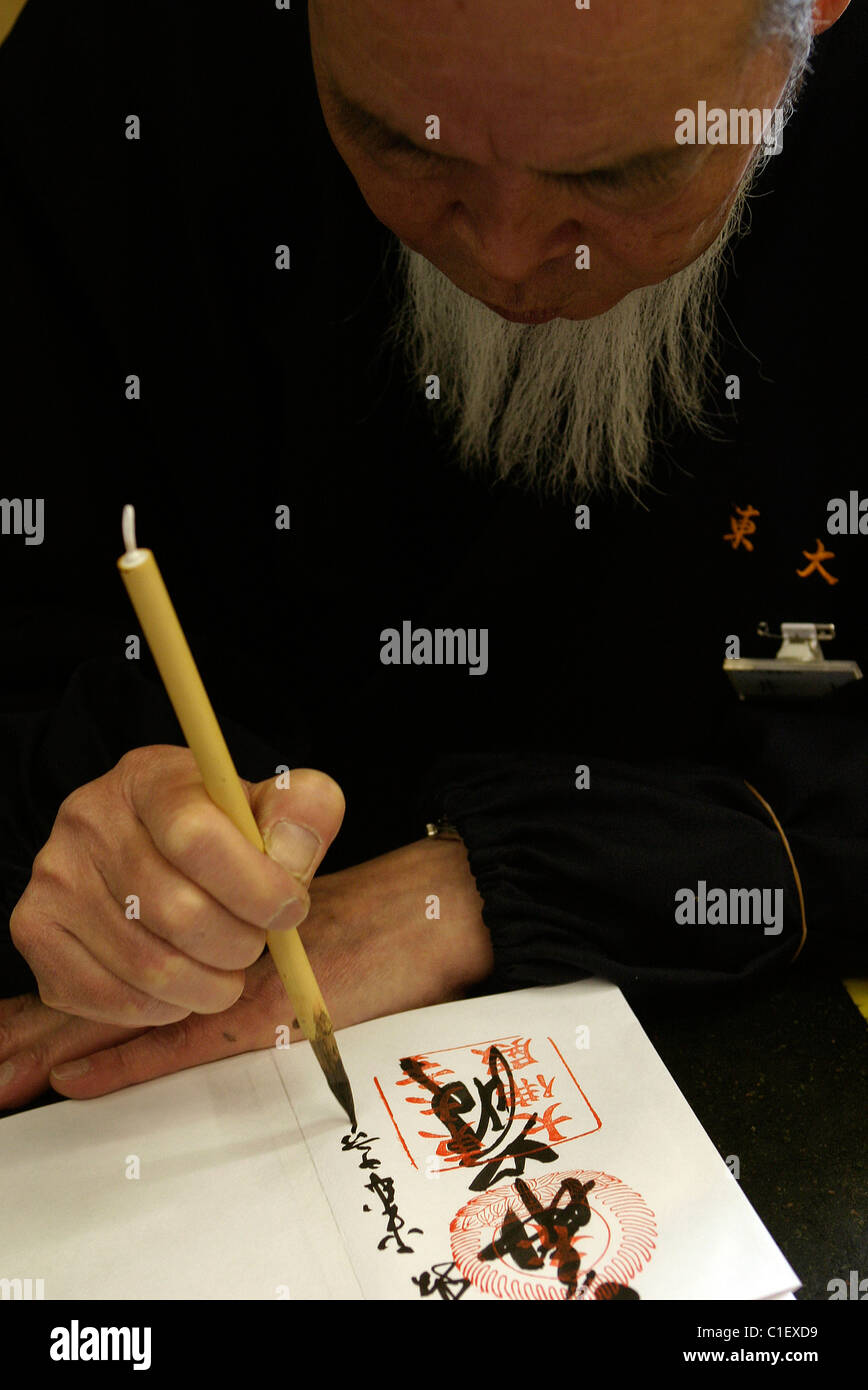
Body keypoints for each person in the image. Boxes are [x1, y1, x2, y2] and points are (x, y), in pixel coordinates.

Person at [0, 0, 863, 1115]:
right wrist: (90, 837)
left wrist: (498, 881)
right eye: (399, 143)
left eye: (625, 175)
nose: (502, 264)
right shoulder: (137, 61)